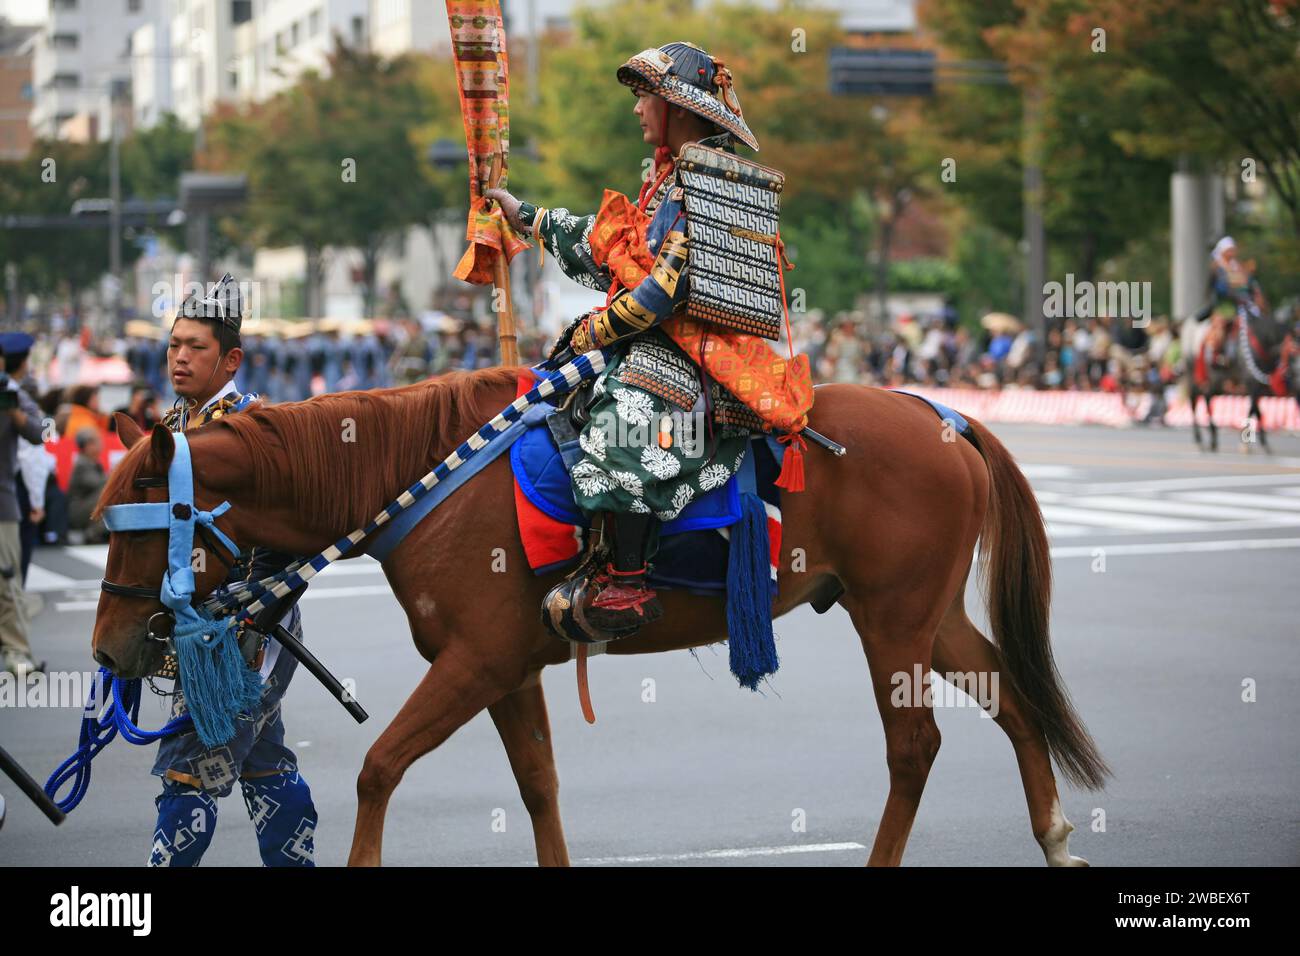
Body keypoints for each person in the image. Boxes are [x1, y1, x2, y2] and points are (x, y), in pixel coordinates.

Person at [488, 41, 802, 640]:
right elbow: (614, 250)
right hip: (662, 342)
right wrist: (524, 215)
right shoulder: (669, 180)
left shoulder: (711, 183)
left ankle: (624, 580)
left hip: (698, 357)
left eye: (644, 97)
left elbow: (665, 293)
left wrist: (588, 330)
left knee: (623, 420)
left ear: (677, 106)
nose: (636, 109)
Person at [147, 274, 318, 867]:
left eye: (195, 346)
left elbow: (301, 535)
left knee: (188, 771)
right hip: (188, 631)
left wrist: (254, 610)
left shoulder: (258, 432)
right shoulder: (171, 427)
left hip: (251, 637)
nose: (179, 357)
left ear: (231, 359)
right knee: (263, 764)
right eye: (174, 344)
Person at [0, 332, 46, 676]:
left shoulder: (11, 395)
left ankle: (15, 651)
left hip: (3, 504)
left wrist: (16, 416)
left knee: (7, 579)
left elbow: (45, 431)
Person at [66, 427, 108, 543]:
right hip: (78, 511)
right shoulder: (82, 464)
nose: (100, 445)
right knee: (106, 492)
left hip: (88, 507)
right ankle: (91, 533)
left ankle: (96, 531)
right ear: (86, 446)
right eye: (95, 442)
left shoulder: (93, 462)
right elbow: (97, 483)